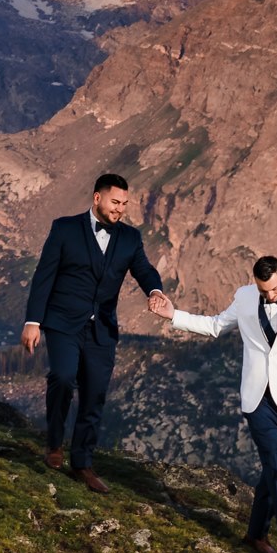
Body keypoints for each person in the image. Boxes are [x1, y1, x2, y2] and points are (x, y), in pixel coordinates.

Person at [149, 256, 277, 553]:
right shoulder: (245, 297)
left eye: (272, 290)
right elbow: (216, 326)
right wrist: (173, 314)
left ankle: (255, 534)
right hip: (258, 401)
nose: (268, 296)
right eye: (263, 290)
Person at [20, 173, 170, 493]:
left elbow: (143, 269)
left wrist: (154, 290)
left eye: (124, 204)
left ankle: (83, 463)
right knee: (62, 377)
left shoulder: (130, 238)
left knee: (95, 393)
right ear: (97, 198)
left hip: (102, 327)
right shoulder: (64, 228)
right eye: (115, 202)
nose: (120, 209)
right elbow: (44, 276)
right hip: (62, 321)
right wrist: (32, 321)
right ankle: (54, 443)